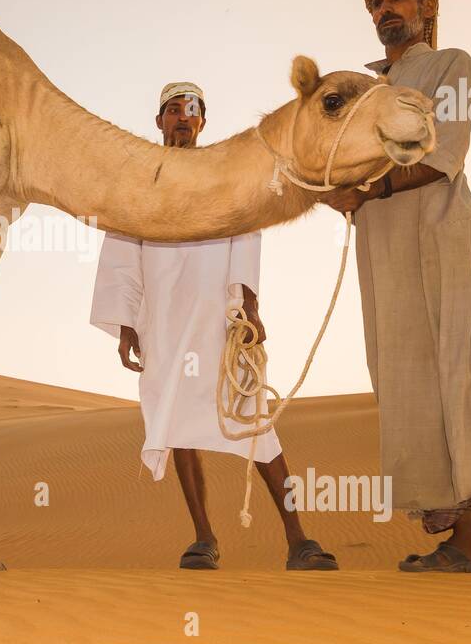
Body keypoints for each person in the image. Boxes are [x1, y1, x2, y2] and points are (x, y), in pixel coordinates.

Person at [319, 0, 471, 574]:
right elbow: (343, 165)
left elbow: (445, 152)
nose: (386, 10)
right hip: (381, 243)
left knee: (465, 366)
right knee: (405, 383)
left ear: (425, 7)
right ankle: (462, 536)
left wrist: (370, 191)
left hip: (439, 233)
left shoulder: (454, 66)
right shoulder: (361, 91)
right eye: (376, 3)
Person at [90, 81, 337, 571]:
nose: (183, 118)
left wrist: (249, 303)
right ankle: (204, 537)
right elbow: (121, 252)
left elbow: (246, 227)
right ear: (159, 121)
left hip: (220, 316)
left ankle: (298, 539)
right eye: (174, 111)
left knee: (255, 422)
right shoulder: (138, 180)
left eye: (193, 110)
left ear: (203, 121)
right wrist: (126, 322)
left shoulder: (224, 172)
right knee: (177, 421)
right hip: (162, 318)